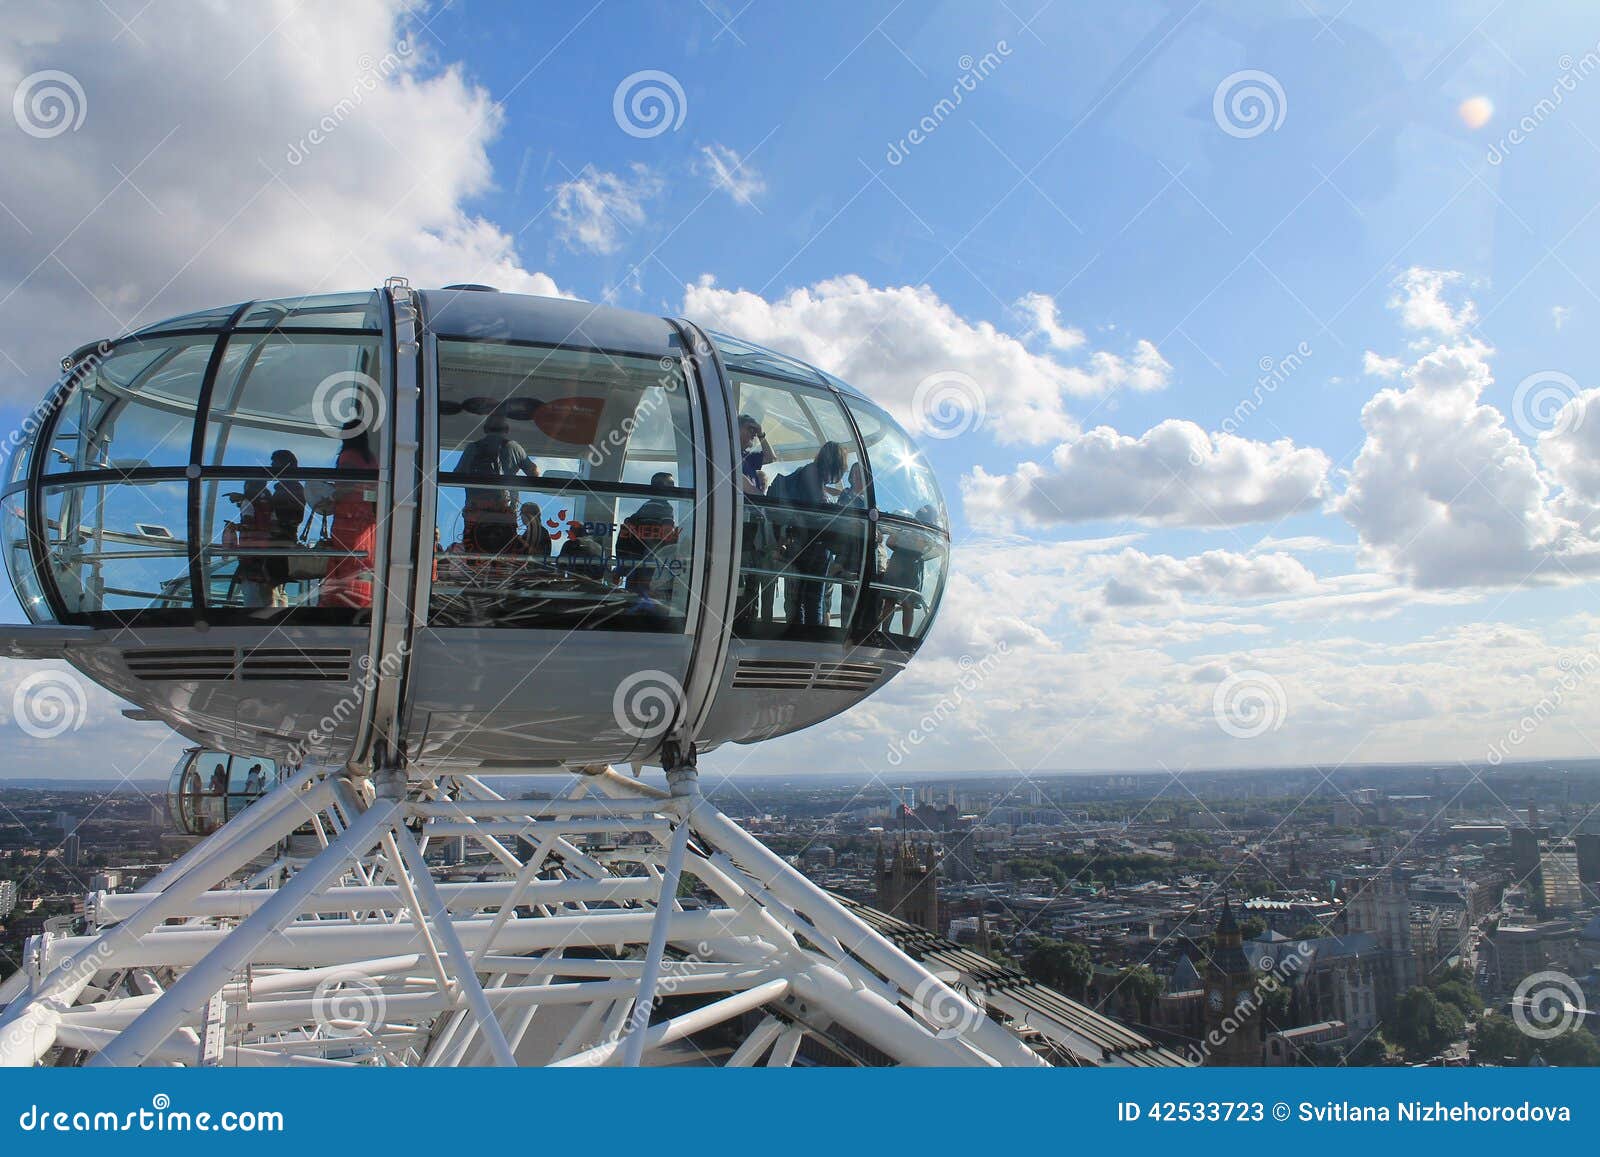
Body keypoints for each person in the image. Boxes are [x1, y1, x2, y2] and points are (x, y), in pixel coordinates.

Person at [771, 441, 847, 629]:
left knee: (804, 597)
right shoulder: (812, 473)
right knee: (812, 598)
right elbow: (816, 506)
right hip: (811, 546)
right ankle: (809, 636)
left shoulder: (809, 472)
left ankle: (802, 634)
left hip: (803, 543)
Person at [457, 414, 540, 557]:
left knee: (474, 554)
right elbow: (534, 474)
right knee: (504, 555)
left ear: (485, 429)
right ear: (507, 429)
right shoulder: (514, 447)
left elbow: (457, 476)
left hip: (475, 514)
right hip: (504, 513)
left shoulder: (472, 448)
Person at [319, 420, 379, 608]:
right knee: (361, 562)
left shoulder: (348, 457)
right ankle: (361, 600)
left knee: (343, 562)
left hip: (347, 518)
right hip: (367, 520)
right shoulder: (371, 459)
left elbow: (346, 486)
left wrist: (331, 496)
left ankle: (342, 602)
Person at [877, 504, 937, 636]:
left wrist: (901, 549)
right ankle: (905, 636)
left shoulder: (905, 529)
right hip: (913, 566)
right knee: (907, 602)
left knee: (890, 599)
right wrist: (916, 552)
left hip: (897, 562)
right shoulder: (929, 535)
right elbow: (929, 549)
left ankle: (885, 631)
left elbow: (890, 543)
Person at [615, 472, 679, 596]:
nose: (674, 489)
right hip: (652, 572)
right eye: (671, 485)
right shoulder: (665, 508)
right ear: (661, 487)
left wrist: (620, 569)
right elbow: (666, 538)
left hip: (636, 570)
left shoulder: (643, 510)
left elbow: (625, 534)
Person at [738, 413, 775, 495]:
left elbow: (770, 458)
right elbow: (740, 481)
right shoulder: (725, 453)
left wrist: (761, 434)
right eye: (750, 429)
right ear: (737, 429)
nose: (754, 434)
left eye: (755, 431)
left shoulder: (747, 457)